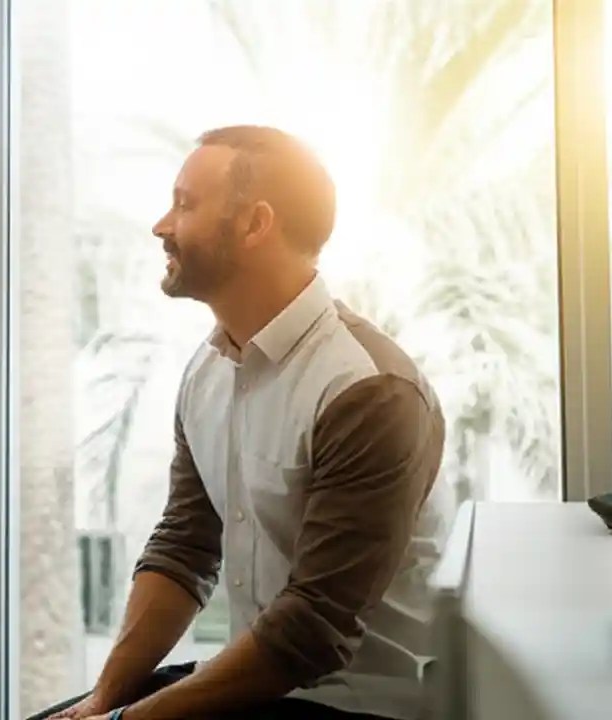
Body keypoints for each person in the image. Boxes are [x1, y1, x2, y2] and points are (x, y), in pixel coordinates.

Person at [36, 126, 447, 720]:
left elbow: (313, 629)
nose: (161, 227)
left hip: (350, 704)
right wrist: (103, 701)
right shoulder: (208, 370)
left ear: (256, 224)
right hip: (255, 688)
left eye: (185, 205)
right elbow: (184, 547)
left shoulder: (369, 390)